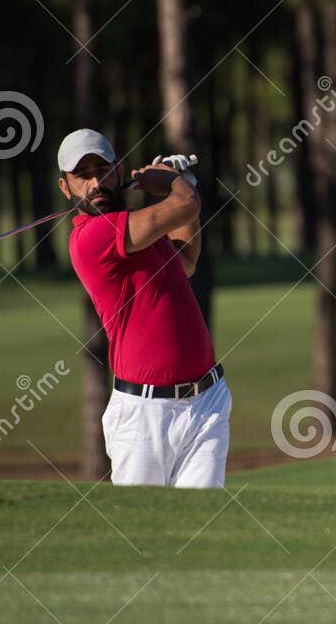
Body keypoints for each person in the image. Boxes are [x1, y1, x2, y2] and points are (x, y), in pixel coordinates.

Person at [55, 128, 230, 487]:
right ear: (65, 187)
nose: (95, 183)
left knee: (201, 529)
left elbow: (187, 259)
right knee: (143, 534)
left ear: (118, 171)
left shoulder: (137, 232)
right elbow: (186, 204)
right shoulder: (92, 237)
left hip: (206, 402)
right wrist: (172, 183)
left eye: (102, 170)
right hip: (144, 416)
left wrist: (181, 184)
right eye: (82, 175)